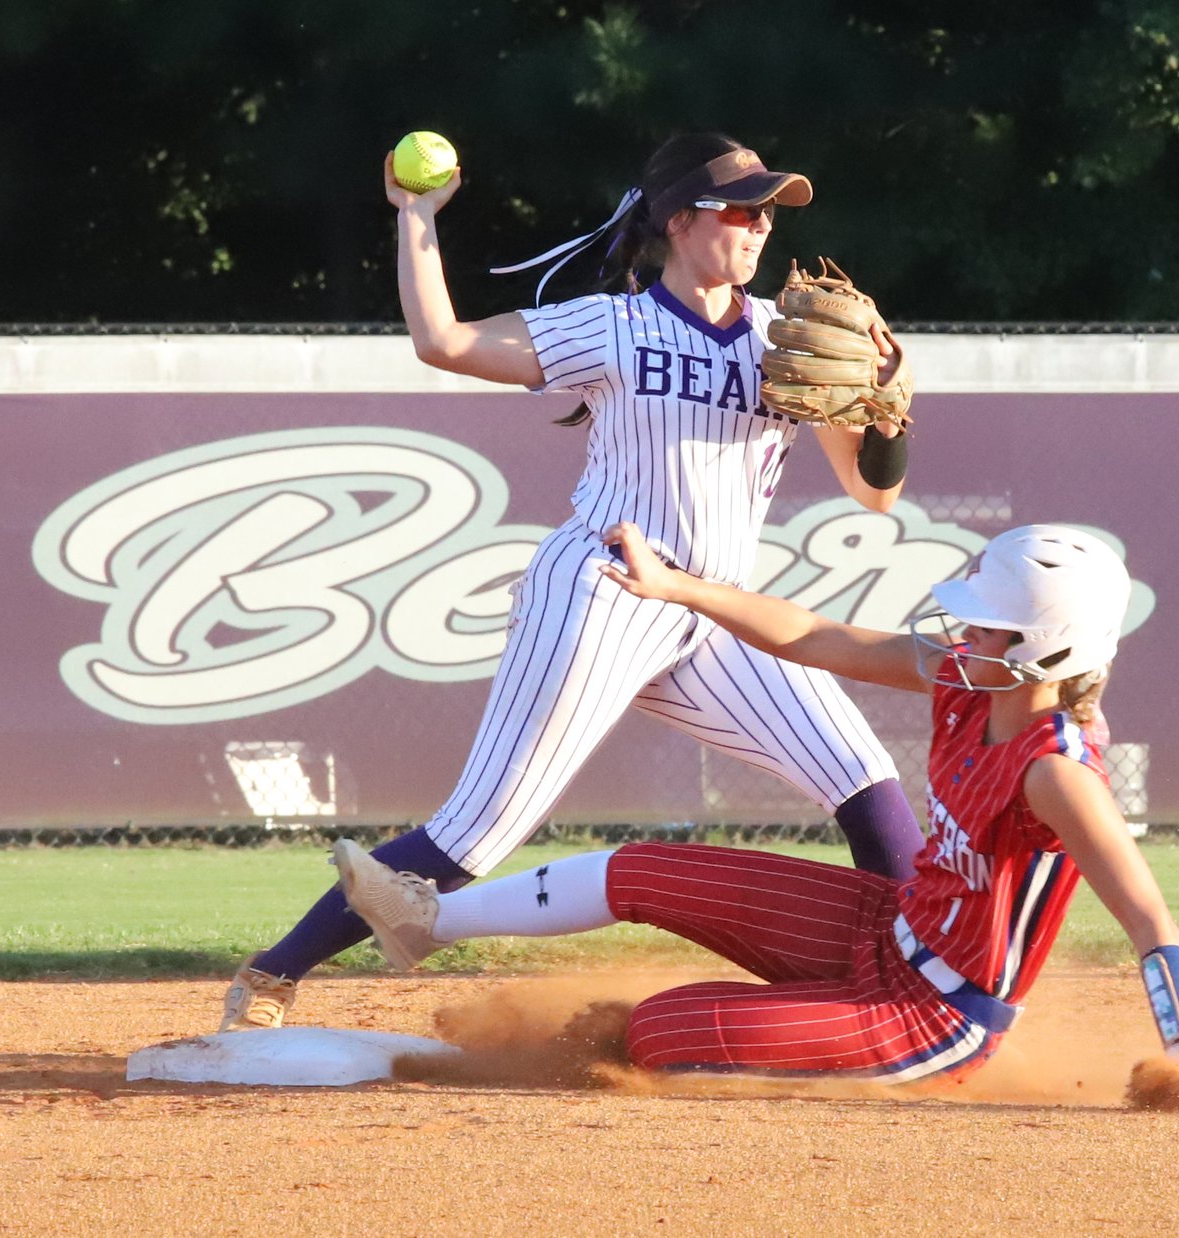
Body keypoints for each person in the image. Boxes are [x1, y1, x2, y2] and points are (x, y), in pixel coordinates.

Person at [218, 131, 925, 1032]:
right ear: (678, 220)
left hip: (709, 610)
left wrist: (888, 404)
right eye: (740, 209)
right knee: (478, 833)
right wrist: (415, 219)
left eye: (766, 212)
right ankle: (272, 977)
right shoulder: (614, 325)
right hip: (603, 593)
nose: (758, 228)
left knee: (866, 782)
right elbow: (445, 343)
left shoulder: (782, 348)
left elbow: (875, 491)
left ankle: (919, 984)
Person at [332, 520, 1179, 1082]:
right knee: (642, 871)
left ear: (1045, 649)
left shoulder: (1056, 771)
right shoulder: (963, 680)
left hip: (933, 1013)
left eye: (989, 624)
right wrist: (677, 588)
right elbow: (814, 637)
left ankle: (863, 1056)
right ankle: (426, 922)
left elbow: (1148, 915)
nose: (964, 630)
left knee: (655, 1031)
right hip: (885, 926)